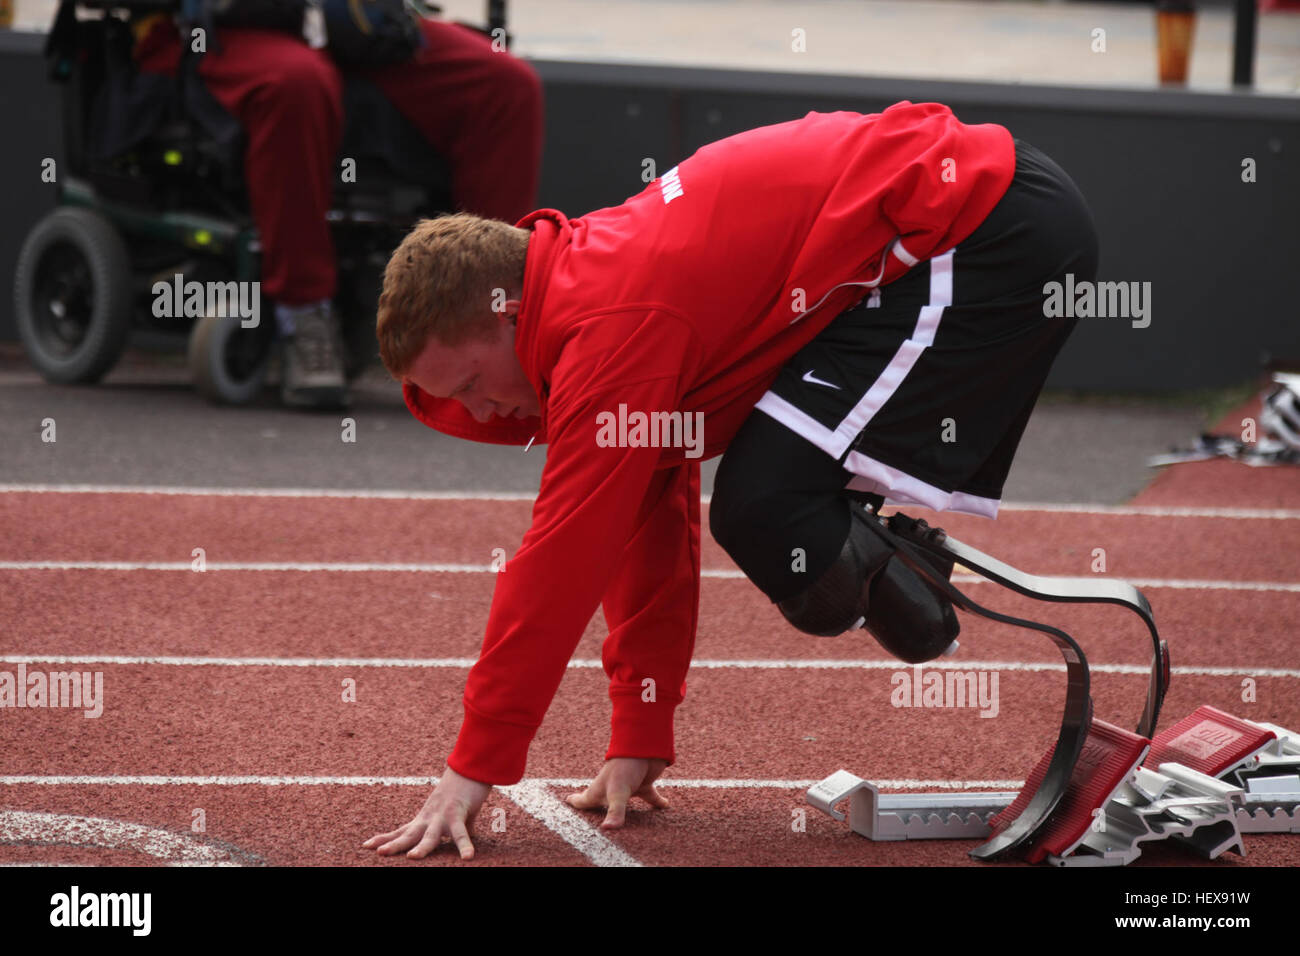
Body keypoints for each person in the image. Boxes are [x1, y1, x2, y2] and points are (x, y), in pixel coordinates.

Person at [362, 100, 1099, 859]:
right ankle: (905, 582)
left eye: (474, 382)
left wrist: (471, 770)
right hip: (969, 220)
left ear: (509, 312)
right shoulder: (586, 296)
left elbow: (561, 562)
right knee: (766, 510)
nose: (483, 410)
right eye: (460, 403)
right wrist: (639, 729)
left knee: (768, 512)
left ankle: (931, 603)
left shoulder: (611, 326)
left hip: (988, 228)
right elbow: (643, 528)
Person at [131, 6, 543, 407]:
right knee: (298, 83)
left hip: (354, 20)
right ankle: (304, 312)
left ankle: (501, 315)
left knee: (506, 85)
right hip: (224, 24)